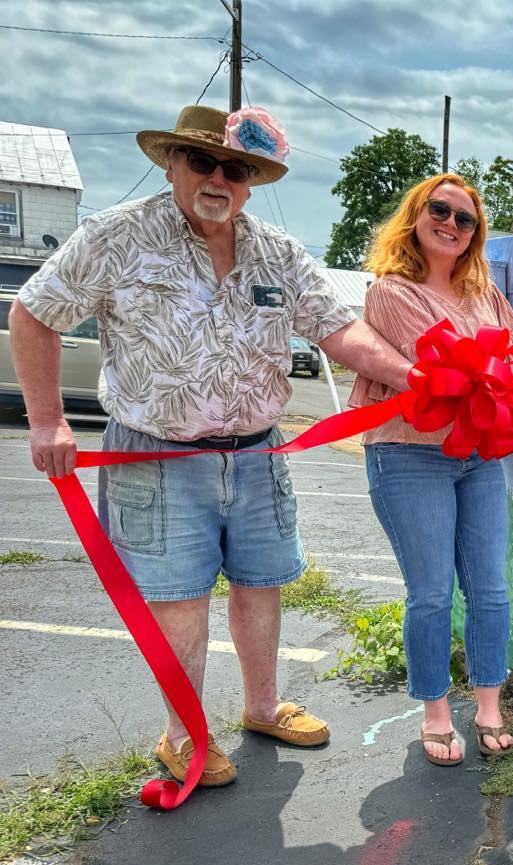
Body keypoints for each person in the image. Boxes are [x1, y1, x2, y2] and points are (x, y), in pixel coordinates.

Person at [11, 104, 415, 786]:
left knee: (262, 583)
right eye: (201, 161)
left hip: (258, 451)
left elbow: (338, 328)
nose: (217, 177)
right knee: (179, 596)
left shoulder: (278, 251)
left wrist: (417, 375)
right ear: (171, 162)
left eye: (233, 167)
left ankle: (261, 705)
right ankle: (184, 736)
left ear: (250, 178)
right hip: (159, 456)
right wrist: (47, 419)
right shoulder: (116, 235)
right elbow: (33, 312)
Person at [349, 173, 513, 768]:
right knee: (431, 592)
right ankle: (434, 712)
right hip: (408, 456)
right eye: (441, 210)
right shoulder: (391, 292)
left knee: (490, 587)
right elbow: (460, 377)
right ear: (416, 214)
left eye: (466, 219)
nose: (452, 225)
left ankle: (486, 705)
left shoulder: (485, 294)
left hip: (478, 456)